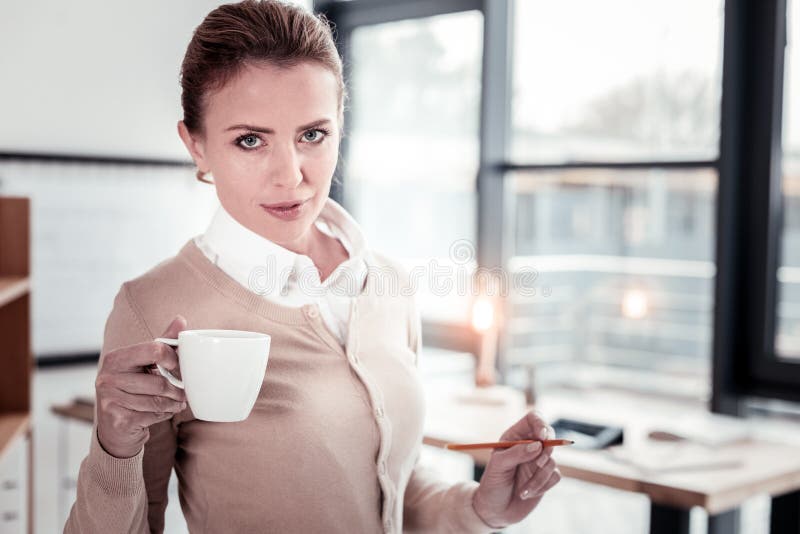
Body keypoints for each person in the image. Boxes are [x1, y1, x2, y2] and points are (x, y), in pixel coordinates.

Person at [64, 1, 560, 532]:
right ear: (197, 146)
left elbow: (393, 486)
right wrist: (113, 448)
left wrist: (477, 506)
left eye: (312, 135)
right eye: (250, 140)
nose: (291, 175)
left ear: (340, 127)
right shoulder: (154, 307)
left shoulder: (386, 282)